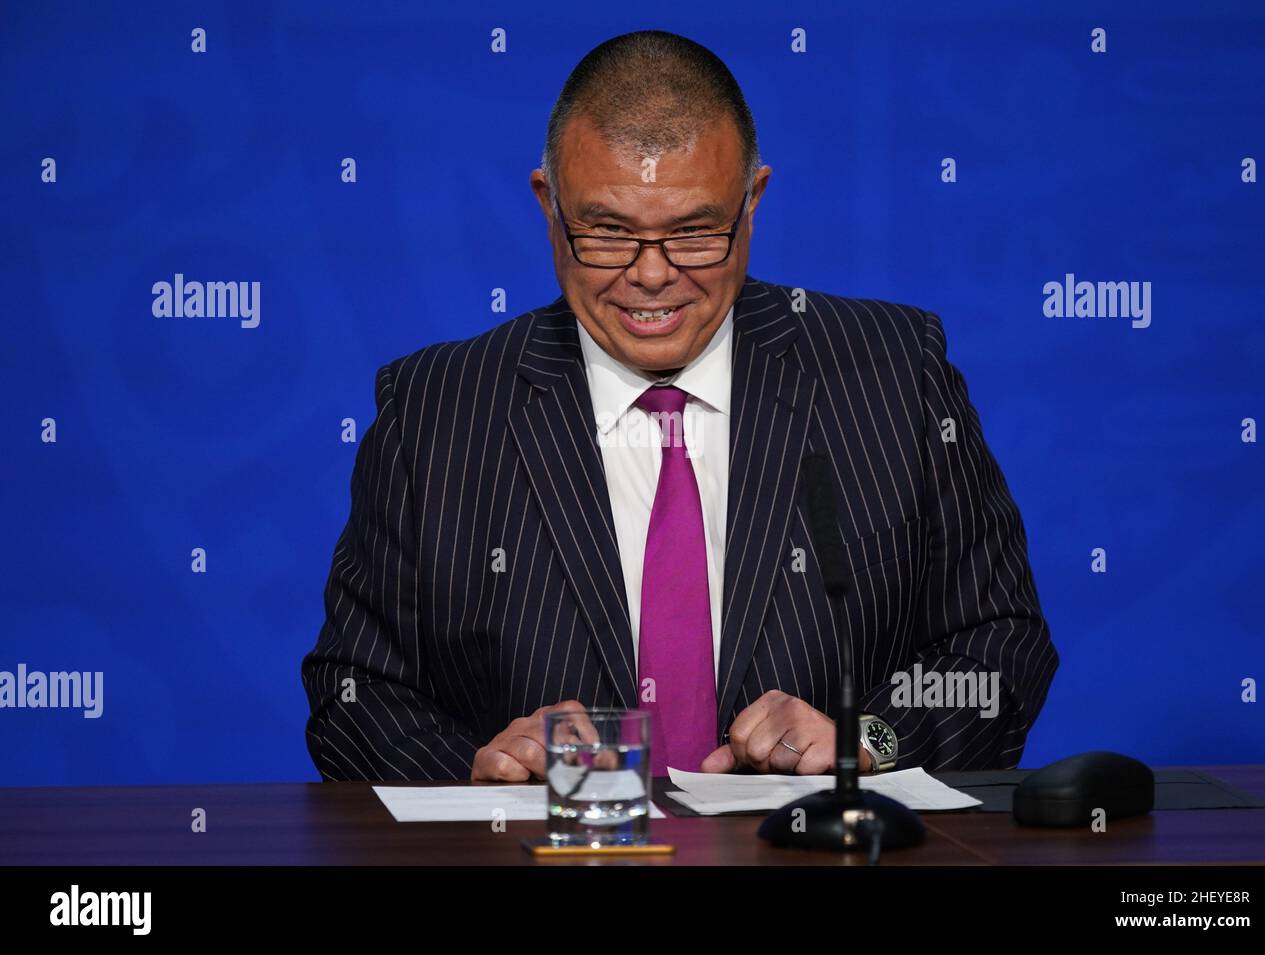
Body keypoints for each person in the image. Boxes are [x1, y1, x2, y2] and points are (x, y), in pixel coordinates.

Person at [301, 30, 1058, 782]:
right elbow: (353, 693)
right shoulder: (434, 406)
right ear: (548, 203)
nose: (652, 275)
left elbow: (999, 645)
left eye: (696, 232)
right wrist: (480, 771)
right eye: (606, 230)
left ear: (753, 201)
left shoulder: (896, 371)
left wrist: (873, 741)